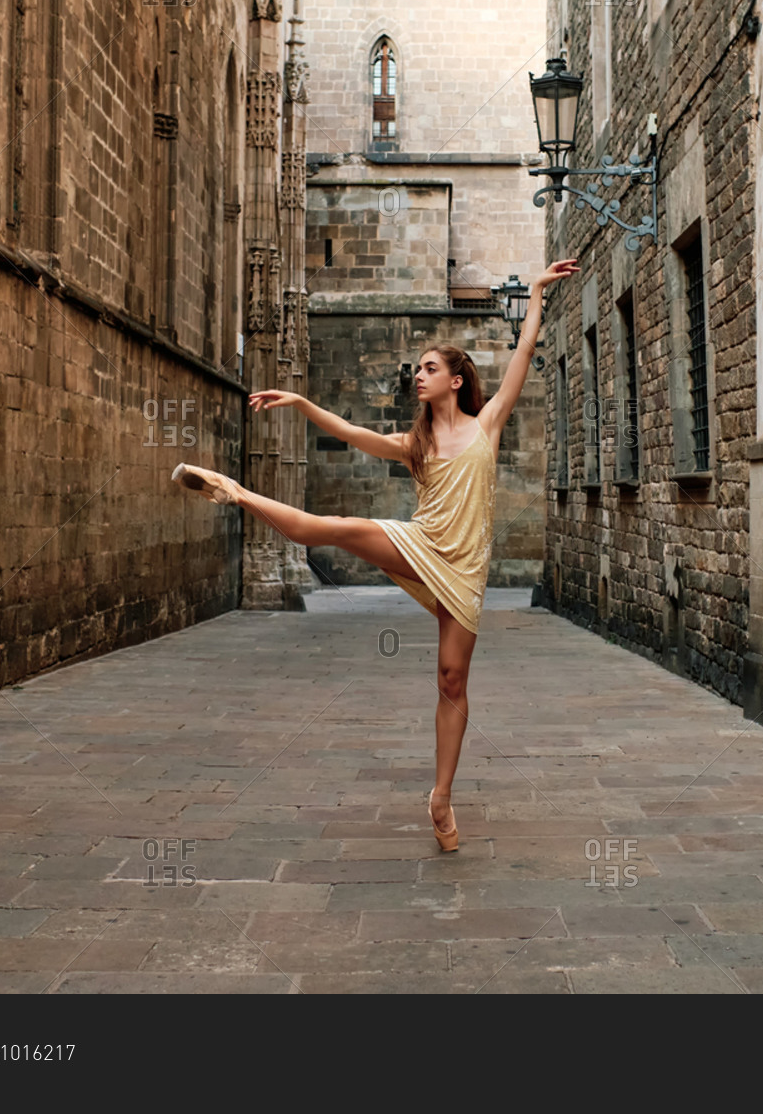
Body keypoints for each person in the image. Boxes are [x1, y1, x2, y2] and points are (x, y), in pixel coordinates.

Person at [173, 258, 580, 851]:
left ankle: (441, 797)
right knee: (331, 529)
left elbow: (522, 352)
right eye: (419, 368)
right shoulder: (414, 443)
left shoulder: (488, 424)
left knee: (451, 680)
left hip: (466, 570)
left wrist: (537, 290)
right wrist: (302, 402)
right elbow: (351, 434)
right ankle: (234, 491)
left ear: (456, 380)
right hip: (420, 543)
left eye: (430, 368)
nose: (419, 376)